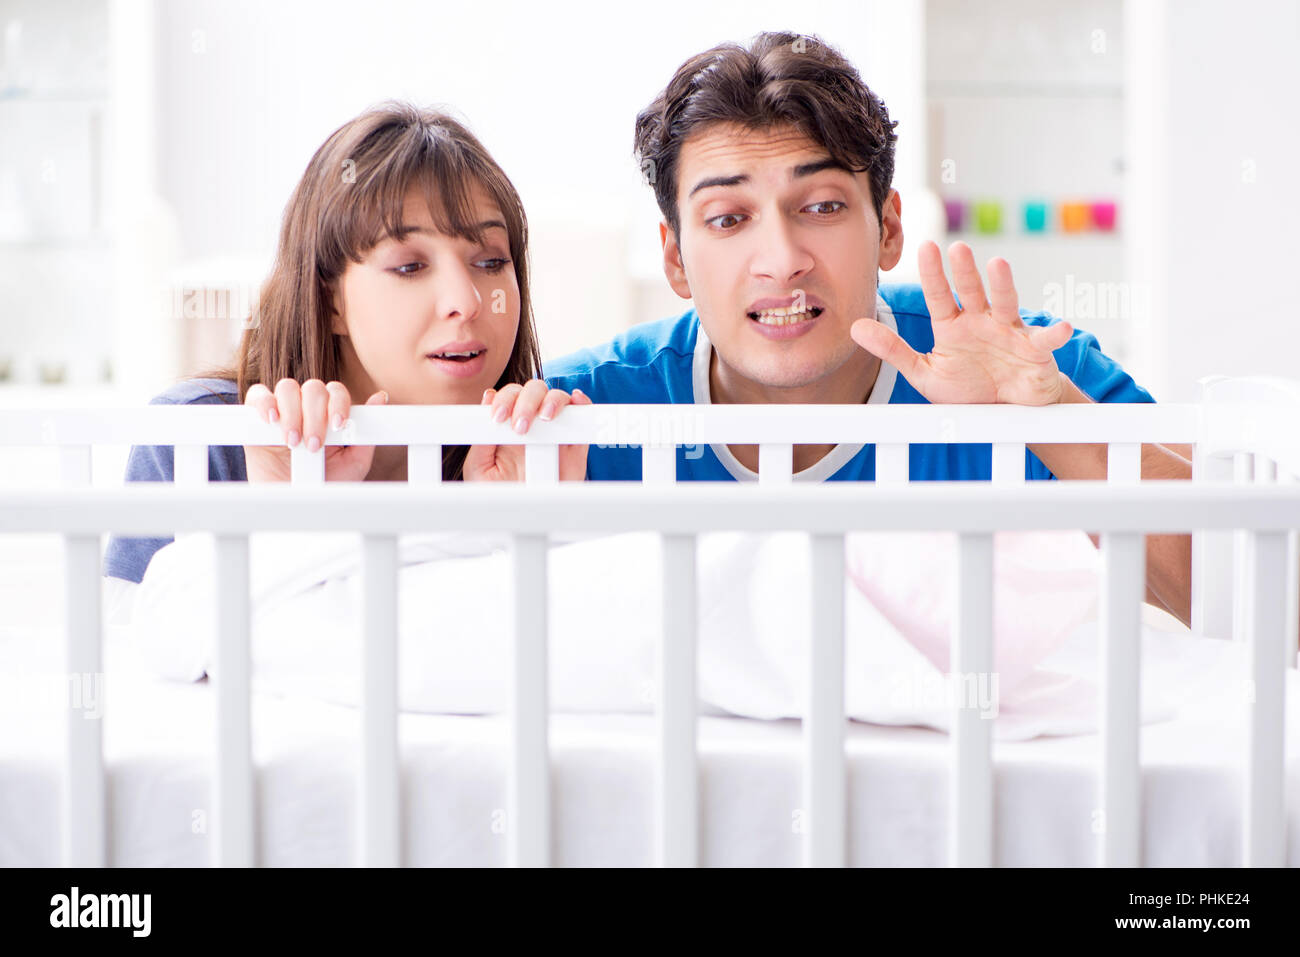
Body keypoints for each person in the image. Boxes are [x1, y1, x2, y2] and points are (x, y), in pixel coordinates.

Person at [542, 31, 1195, 626]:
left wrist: (1050, 421)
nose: (783, 259)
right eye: (727, 218)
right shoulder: (576, 415)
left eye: (822, 205)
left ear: (887, 227)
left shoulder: (1027, 369)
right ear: (675, 258)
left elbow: (1250, 591)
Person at [103, 102, 588, 587]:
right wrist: (283, 527)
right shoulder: (200, 442)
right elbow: (139, 652)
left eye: (489, 262)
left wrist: (518, 540)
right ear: (329, 299)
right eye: (409, 266)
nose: (467, 301)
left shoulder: (540, 452)